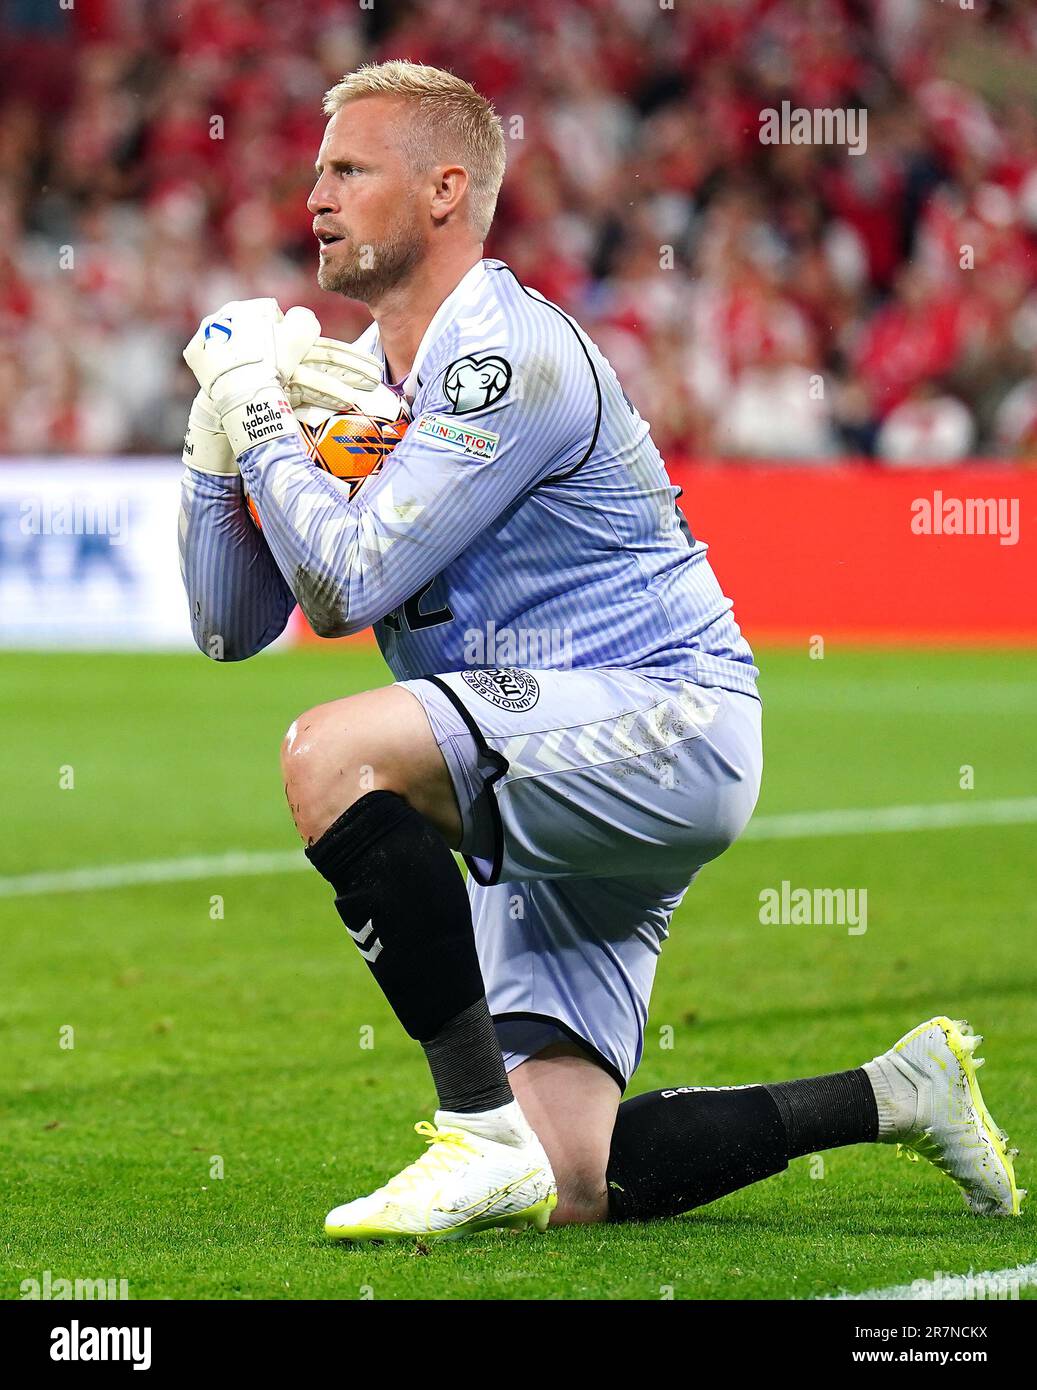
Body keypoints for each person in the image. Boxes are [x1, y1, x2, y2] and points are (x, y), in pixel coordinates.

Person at [178, 61, 1020, 1240]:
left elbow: (350, 580)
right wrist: (216, 439)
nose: (311, 193)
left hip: (663, 717)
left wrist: (261, 415)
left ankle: (471, 1127)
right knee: (576, 1180)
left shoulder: (502, 354)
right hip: (534, 754)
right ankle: (896, 1092)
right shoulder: (366, 378)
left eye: (348, 168)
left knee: (327, 754)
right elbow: (232, 628)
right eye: (317, 167)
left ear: (442, 190)